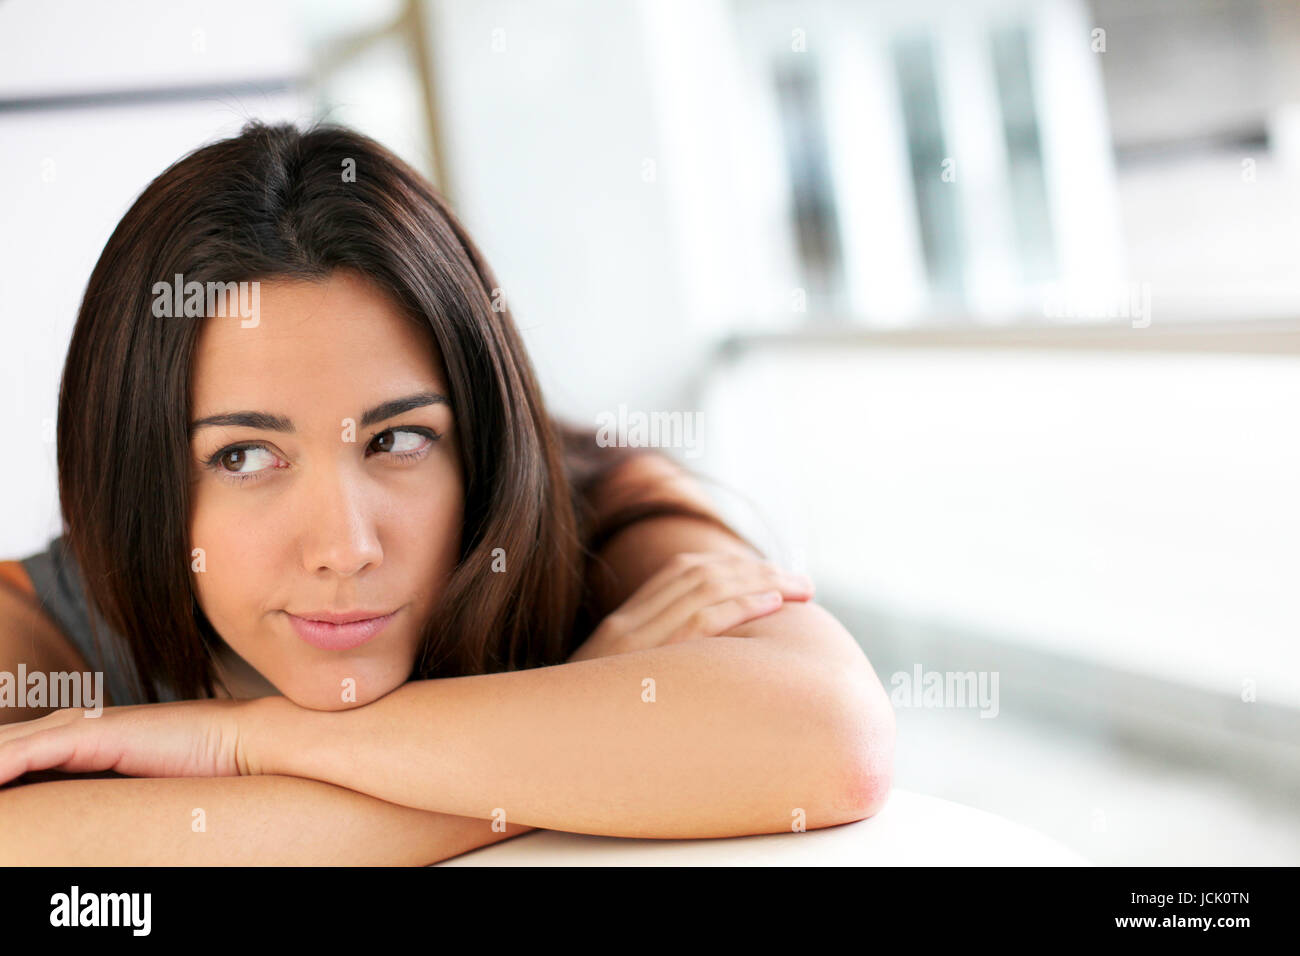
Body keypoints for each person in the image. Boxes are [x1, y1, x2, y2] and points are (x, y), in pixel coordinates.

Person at [0, 121, 894, 864]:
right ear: (132, 470)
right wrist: (569, 739)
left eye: (398, 440)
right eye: (243, 456)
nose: (346, 547)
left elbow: (831, 738)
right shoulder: (35, 626)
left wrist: (254, 741)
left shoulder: (605, 503)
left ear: (482, 440)